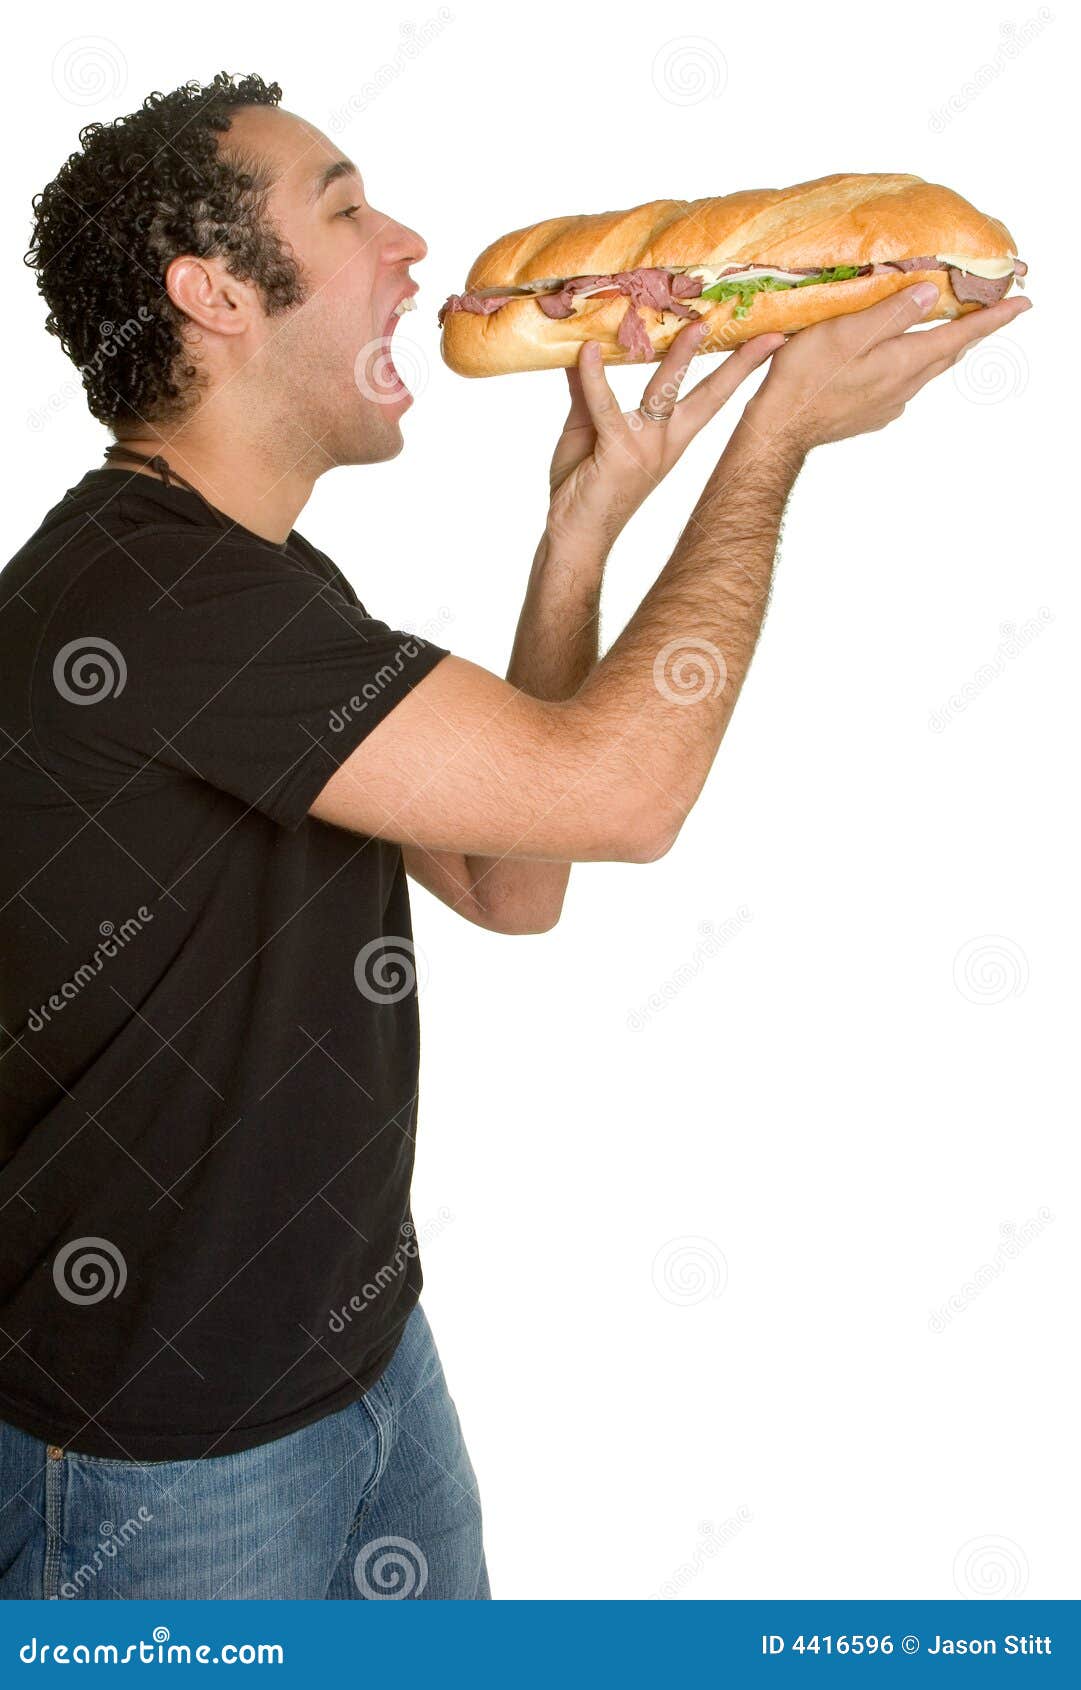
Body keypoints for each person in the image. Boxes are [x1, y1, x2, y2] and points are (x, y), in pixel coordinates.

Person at [0, 73, 1031, 1600]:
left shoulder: (254, 585)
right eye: (346, 207)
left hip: (363, 1363)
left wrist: (581, 529)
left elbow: (511, 876)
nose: (411, 243)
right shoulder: (164, 607)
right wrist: (772, 444)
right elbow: (623, 797)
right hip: (171, 1456)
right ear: (214, 293)